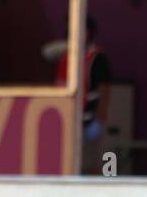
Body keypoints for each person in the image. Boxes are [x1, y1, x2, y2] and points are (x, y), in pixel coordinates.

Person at [46, 15, 111, 173]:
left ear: (88, 33)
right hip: (65, 123)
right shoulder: (66, 54)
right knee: (65, 167)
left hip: (88, 123)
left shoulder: (98, 58)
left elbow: (105, 90)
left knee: (89, 167)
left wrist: (99, 120)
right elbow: (46, 52)